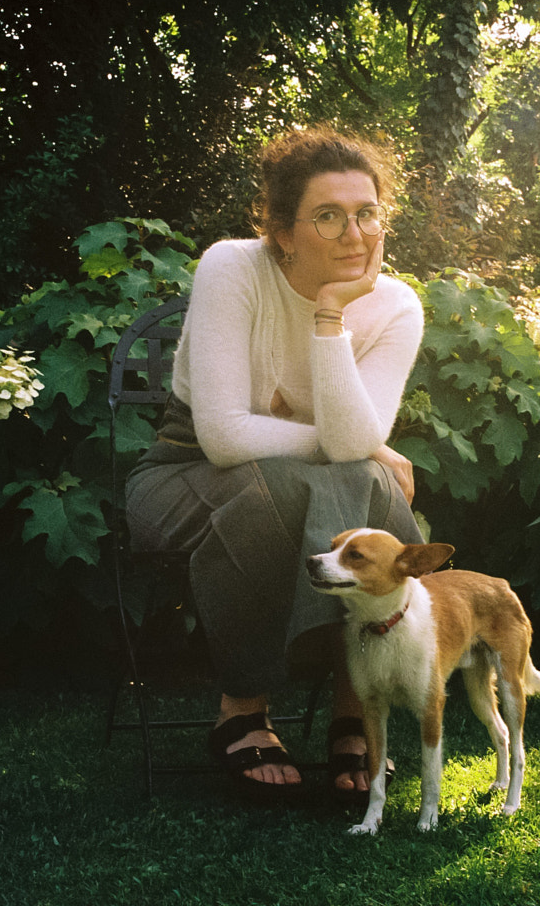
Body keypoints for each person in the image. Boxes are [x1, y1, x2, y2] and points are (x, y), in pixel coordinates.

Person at [125, 125, 425, 803]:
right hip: (182, 471)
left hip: (299, 480)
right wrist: (354, 441)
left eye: (367, 213)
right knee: (343, 474)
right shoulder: (232, 267)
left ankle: (357, 708)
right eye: (328, 217)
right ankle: (243, 707)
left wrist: (330, 315)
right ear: (283, 232)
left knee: (368, 479)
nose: (355, 233)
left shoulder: (397, 306)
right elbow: (225, 436)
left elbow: (351, 452)